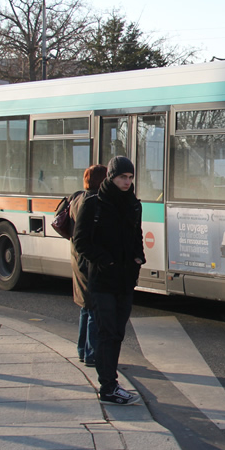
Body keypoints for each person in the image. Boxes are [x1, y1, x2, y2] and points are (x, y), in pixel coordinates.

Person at [72, 156, 145, 405]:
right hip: (102, 280)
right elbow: (80, 241)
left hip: (125, 280)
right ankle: (108, 386)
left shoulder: (134, 204)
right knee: (107, 332)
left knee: (117, 334)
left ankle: (111, 384)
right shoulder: (94, 204)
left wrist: (138, 257)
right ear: (111, 178)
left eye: (130, 177)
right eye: (122, 177)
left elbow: (137, 235)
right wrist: (105, 260)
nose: (127, 182)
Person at [69, 164, 108, 368]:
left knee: (85, 306)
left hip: (77, 257)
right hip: (88, 260)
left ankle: (82, 350)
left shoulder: (77, 198)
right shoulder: (93, 202)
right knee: (93, 307)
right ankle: (92, 352)